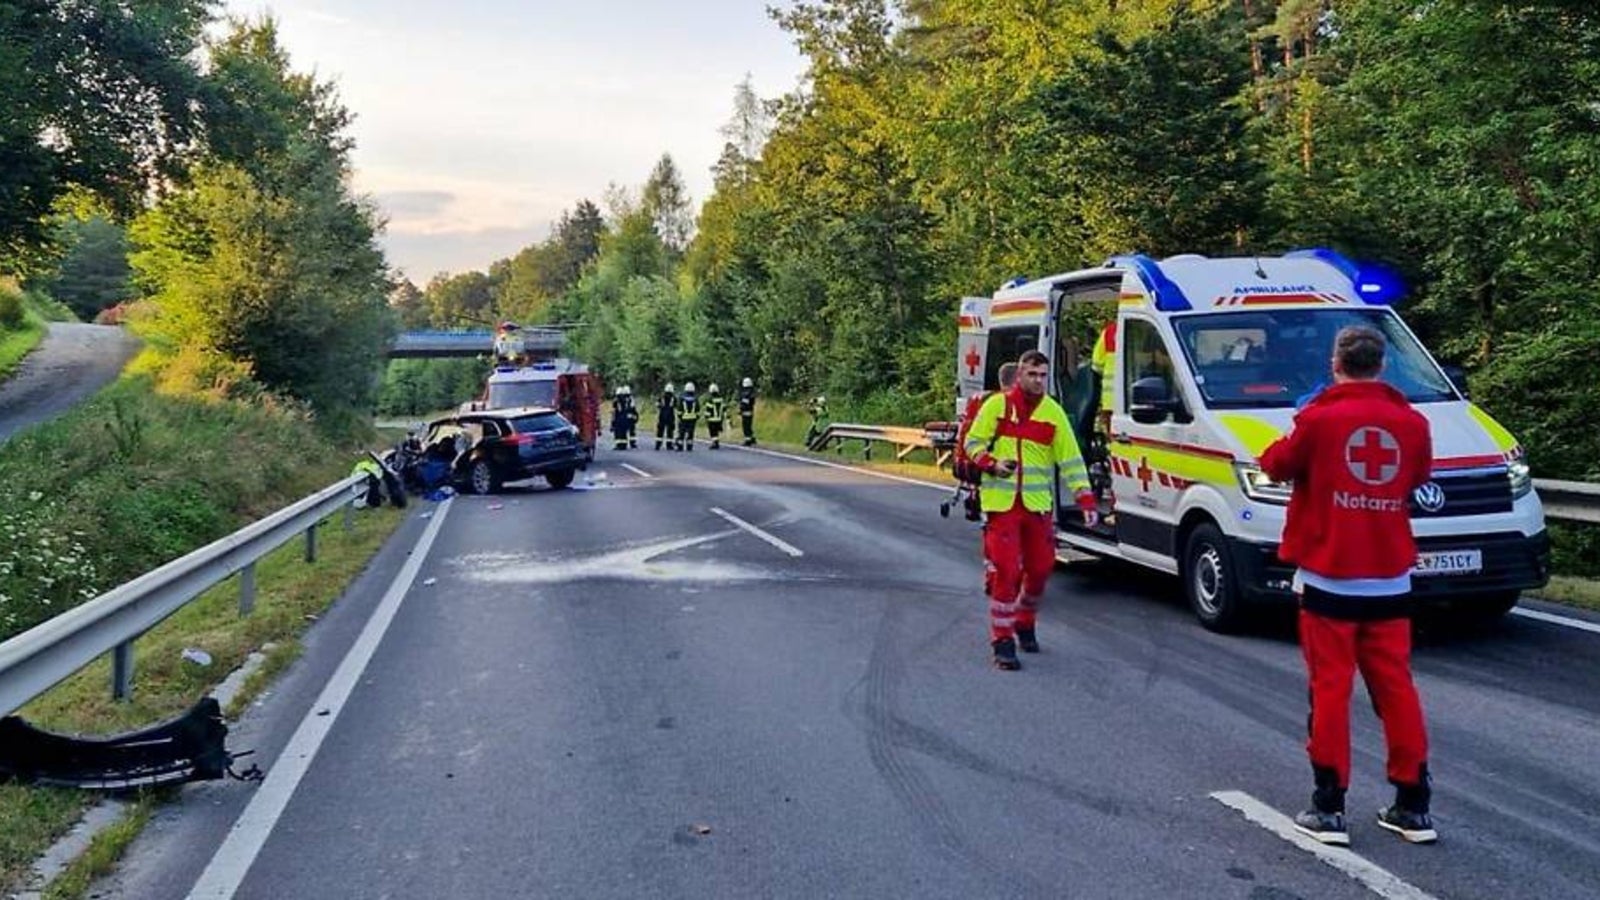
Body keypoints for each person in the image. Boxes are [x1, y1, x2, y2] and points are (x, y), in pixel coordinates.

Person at [1259, 325, 1436, 847]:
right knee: (1396, 690)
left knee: (1330, 689)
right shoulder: (1412, 422)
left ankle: (1329, 806)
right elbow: (1417, 479)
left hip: (1329, 576)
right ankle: (1413, 804)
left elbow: (1274, 466)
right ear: (1382, 364)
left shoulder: (1318, 419)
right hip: (1391, 577)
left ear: (1336, 362)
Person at [963, 350, 1096, 671]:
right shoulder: (997, 406)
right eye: (1031, 374)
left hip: (1037, 507)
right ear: (1019, 375)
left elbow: (1071, 460)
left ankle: (1025, 620)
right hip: (1002, 506)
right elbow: (972, 443)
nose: (1037, 381)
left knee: (1040, 570)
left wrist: (1085, 499)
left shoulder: (1053, 413)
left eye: (1042, 375)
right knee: (1006, 572)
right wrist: (992, 464)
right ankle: (1003, 640)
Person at [611, 385, 638, 451]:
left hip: (620, 418)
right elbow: (633, 409)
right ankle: (626, 444)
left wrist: (613, 422)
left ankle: (620, 445)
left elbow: (615, 411)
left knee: (619, 432)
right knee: (626, 431)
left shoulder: (617, 401)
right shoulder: (629, 399)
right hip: (626, 417)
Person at [676, 381, 701, 451]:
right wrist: (697, 417)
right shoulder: (695, 399)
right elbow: (698, 409)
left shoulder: (682, 398)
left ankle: (680, 446)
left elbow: (679, 409)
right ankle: (689, 446)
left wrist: (679, 416)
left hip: (683, 418)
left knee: (681, 432)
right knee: (690, 433)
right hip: (692, 419)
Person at [704, 383, 727, 449]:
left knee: (713, 431)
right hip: (719, 419)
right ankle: (716, 442)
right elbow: (724, 408)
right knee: (716, 431)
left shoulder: (710, 400)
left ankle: (715, 443)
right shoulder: (721, 399)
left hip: (712, 419)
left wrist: (706, 417)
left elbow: (708, 410)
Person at [654, 383, 676, 451]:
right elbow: (676, 406)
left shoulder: (661, 397)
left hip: (662, 416)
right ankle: (669, 445)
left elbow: (657, 405)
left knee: (660, 431)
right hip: (670, 416)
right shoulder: (673, 398)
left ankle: (658, 445)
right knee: (670, 431)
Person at [738, 377, 758, 446]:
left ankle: (748, 441)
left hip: (745, 412)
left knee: (746, 427)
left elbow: (743, 403)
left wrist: (740, 410)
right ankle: (752, 438)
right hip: (750, 411)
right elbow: (752, 402)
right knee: (749, 426)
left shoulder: (745, 394)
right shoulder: (752, 393)